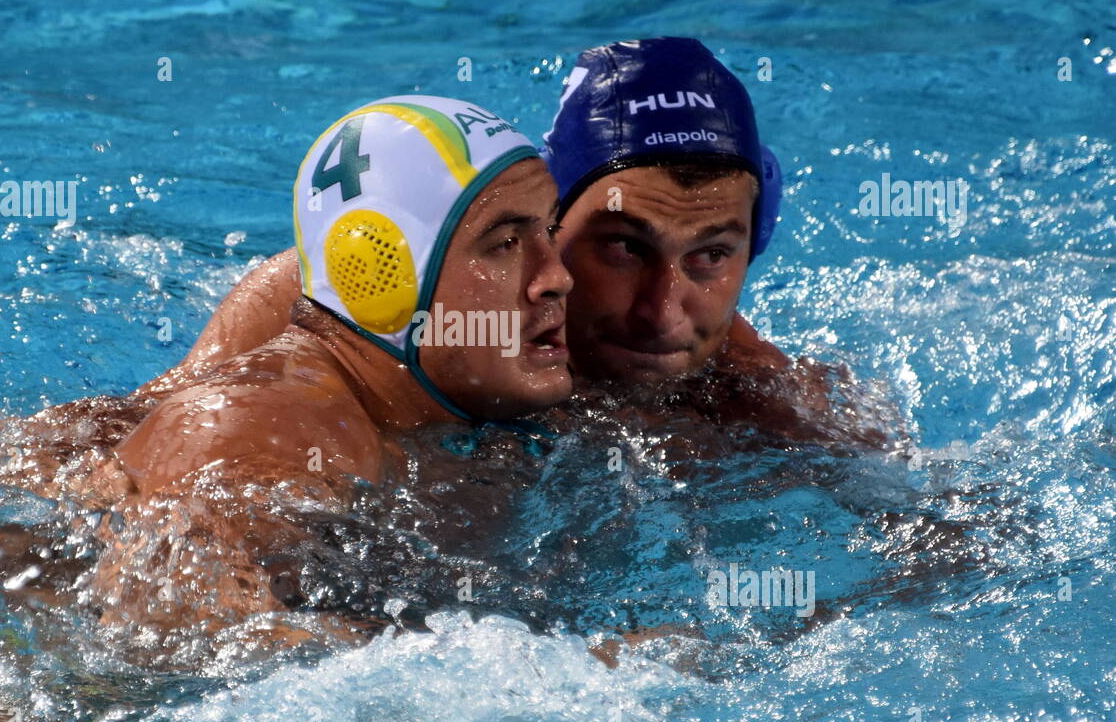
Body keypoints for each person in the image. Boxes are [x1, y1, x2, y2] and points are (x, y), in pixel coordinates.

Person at [129, 38, 874, 443]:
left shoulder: (754, 398)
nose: (662, 314)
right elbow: (145, 437)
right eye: (620, 247)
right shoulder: (347, 295)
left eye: (711, 255)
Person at [74, 95, 574, 636]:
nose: (557, 277)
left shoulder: (432, 398)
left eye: (549, 232)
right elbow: (180, 642)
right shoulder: (255, 432)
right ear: (379, 276)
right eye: (503, 243)